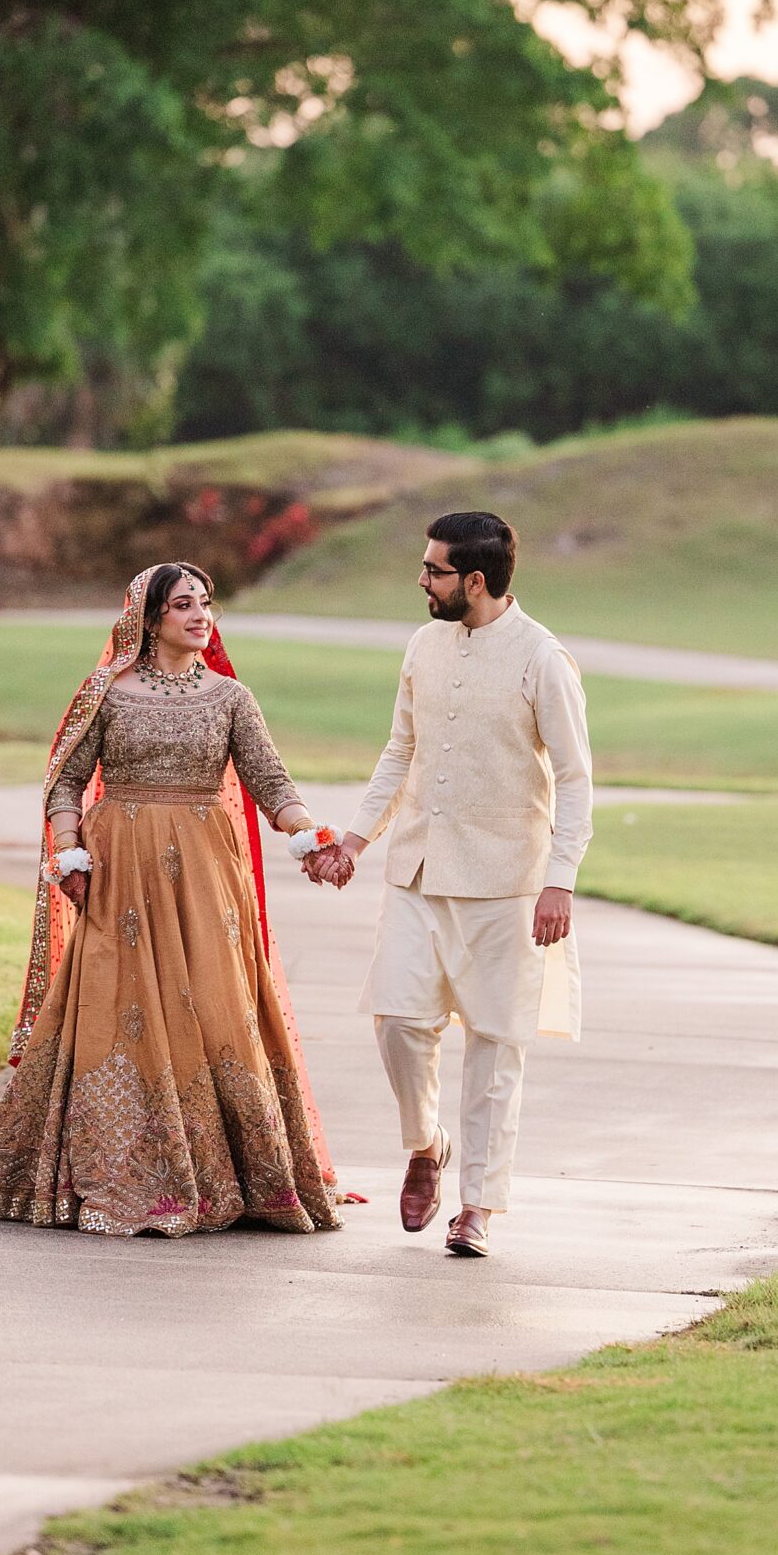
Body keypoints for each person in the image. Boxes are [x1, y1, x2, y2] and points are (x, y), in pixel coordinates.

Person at [0, 561, 349, 1238]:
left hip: (207, 873)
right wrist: (69, 852)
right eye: (183, 605)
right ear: (149, 619)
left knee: (213, 1007)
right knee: (120, 1012)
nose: (201, 616)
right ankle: (117, 1175)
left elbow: (272, 783)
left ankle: (230, 1179)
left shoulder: (232, 698)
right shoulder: (105, 694)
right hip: (121, 873)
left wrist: (310, 836)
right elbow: (65, 783)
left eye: (206, 603)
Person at [336, 511, 594, 1259]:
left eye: (433, 571)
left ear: (474, 581)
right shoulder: (423, 644)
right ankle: (425, 1145)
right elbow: (401, 750)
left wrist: (561, 881)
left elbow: (575, 779)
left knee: (495, 1045)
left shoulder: (542, 659)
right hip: (417, 870)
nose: (421, 580)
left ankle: (478, 1206)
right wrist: (356, 837)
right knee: (397, 1022)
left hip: (507, 883)